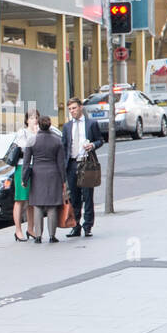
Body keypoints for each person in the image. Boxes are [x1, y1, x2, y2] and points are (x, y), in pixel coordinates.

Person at [61, 96, 104, 237]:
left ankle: (88, 226)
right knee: (74, 197)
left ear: (80, 108)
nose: (72, 111)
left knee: (87, 196)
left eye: (74, 108)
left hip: (86, 163)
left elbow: (100, 140)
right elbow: (64, 146)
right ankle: (76, 225)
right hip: (72, 164)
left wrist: (93, 145)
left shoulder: (91, 124)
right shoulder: (67, 126)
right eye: (70, 109)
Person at [22, 114, 66, 242]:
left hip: (37, 175)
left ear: (39, 125)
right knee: (52, 206)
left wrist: (24, 179)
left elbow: (26, 163)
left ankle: (38, 236)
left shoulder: (32, 140)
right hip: (53, 175)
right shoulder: (57, 140)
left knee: (38, 205)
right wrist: (63, 180)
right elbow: (61, 163)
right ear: (50, 125)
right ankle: (52, 236)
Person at [11, 109, 39, 242]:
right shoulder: (22, 132)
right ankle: (18, 230)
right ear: (27, 120)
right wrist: (34, 134)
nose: (35, 120)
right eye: (32, 118)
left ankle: (30, 228)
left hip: (35, 167)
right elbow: (25, 148)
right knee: (20, 199)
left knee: (31, 201)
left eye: (37, 117)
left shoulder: (39, 133)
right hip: (23, 167)